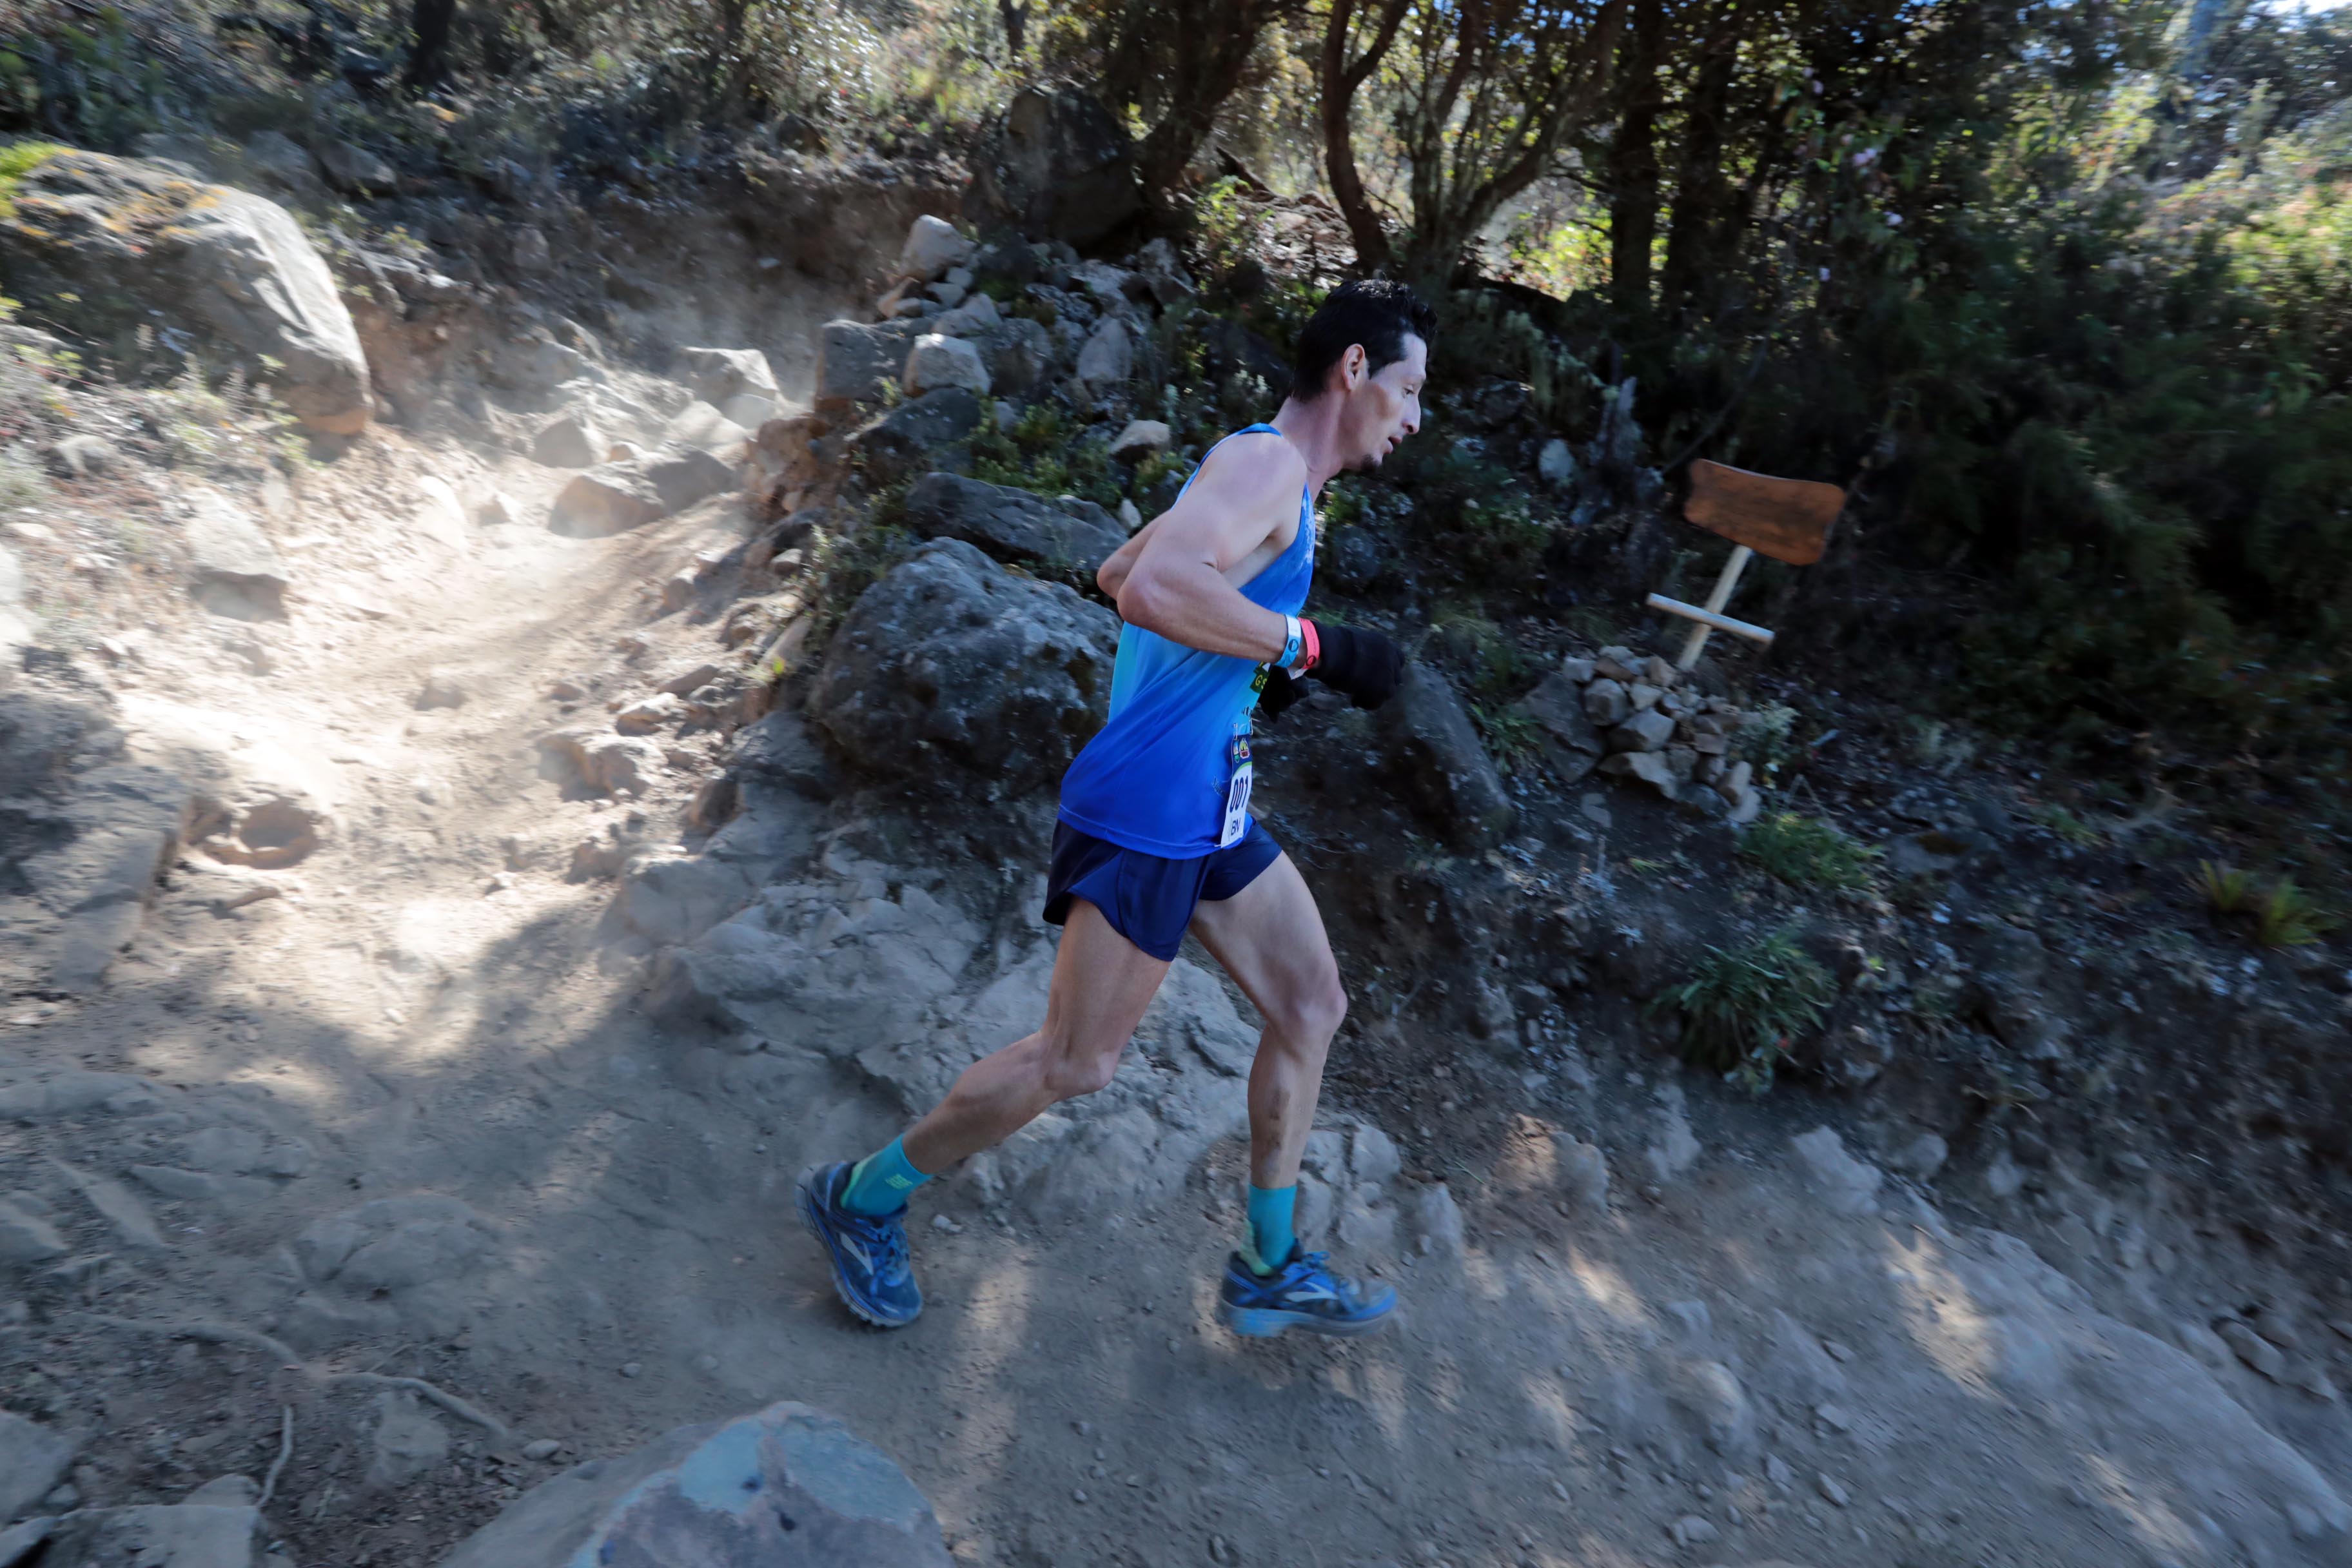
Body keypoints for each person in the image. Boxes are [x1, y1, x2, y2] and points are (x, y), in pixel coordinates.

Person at [798, 279, 1433, 1338]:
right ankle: (858, 1199)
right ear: (1356, 371)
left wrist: (1243, 665)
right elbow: (1149, 590)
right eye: (1410, 391)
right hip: (1148, 806)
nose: (1414, 420)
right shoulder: (1267, 466)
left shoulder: (1265, 475)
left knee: (1312, 1005)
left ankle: (1267, 1269)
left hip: (1208, 803)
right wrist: (1311, 647)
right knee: (1075, 1063)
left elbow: (1118, 565)